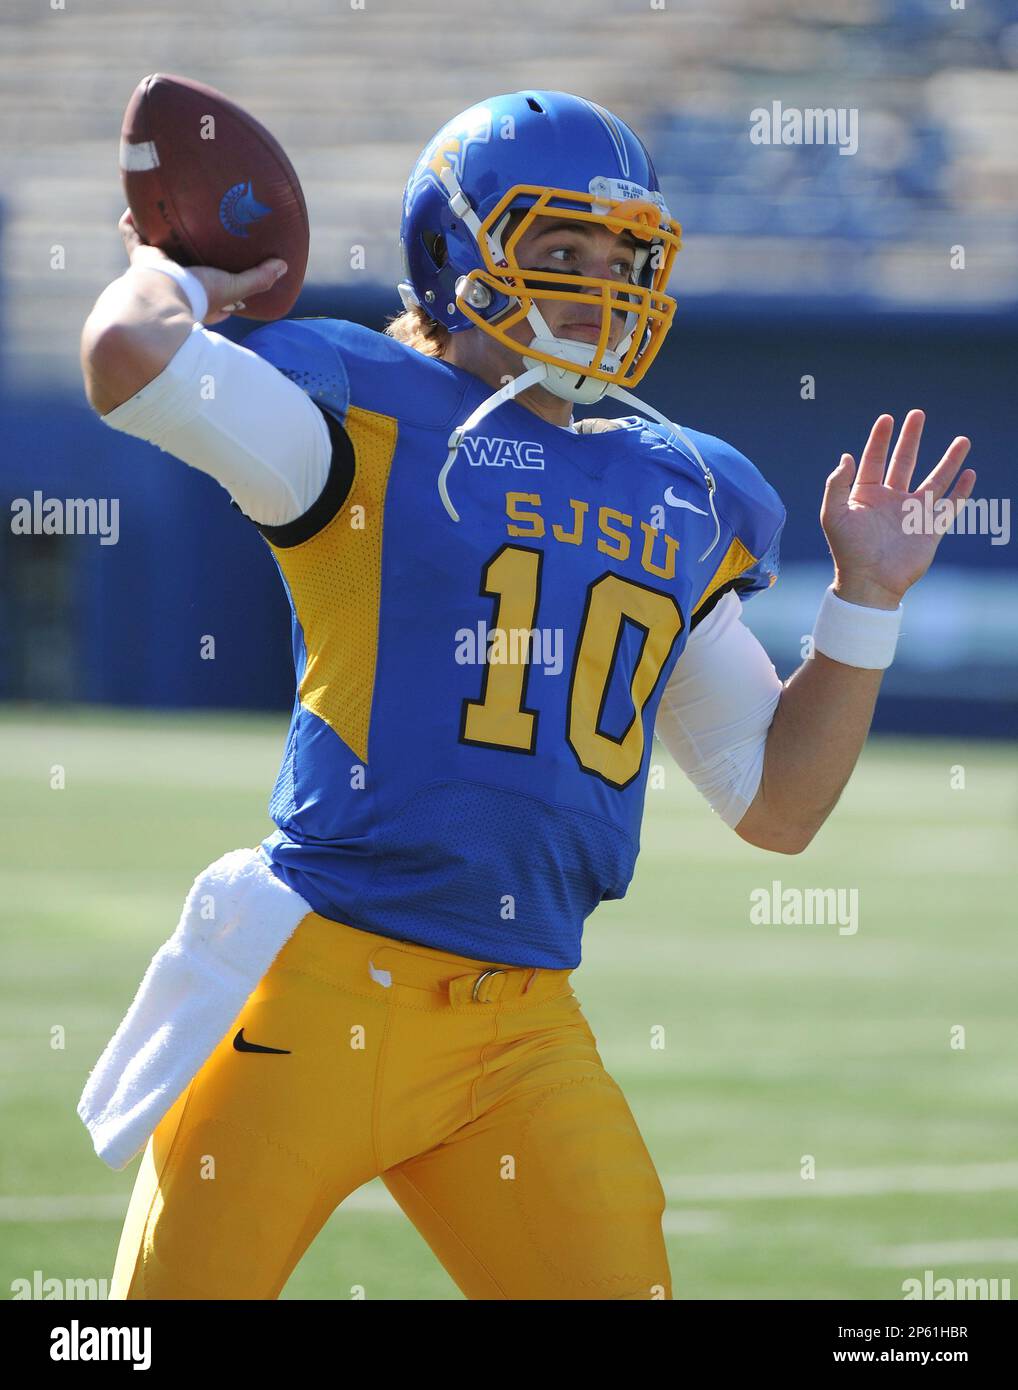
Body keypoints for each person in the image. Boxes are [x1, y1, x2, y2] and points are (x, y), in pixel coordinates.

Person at [79, 90, 974, 1300]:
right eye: (559, 249)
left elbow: (777, 804)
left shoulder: (685, 488)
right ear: (454, 256)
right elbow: (129, 361)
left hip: (521, 1027)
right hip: (320, 985)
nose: (596, 282)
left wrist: (864, 597)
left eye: (621, 255)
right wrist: (176, 275)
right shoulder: (365, 411)